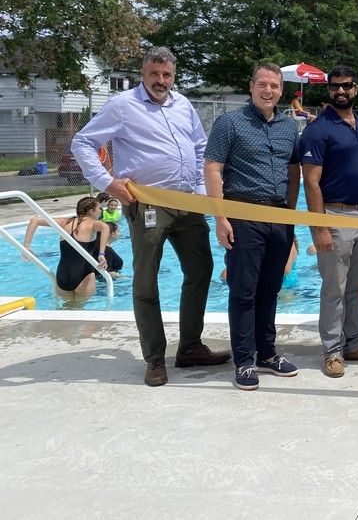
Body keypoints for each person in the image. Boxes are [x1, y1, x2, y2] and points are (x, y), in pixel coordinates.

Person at [71, 46, 230, 387]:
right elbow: (82, 142)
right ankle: (155, 357)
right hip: (147, 205)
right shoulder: (122, 105)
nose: (161, 81)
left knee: (201, 269)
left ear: (174, 75)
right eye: (155, 74)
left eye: (167, 75)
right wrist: (106, 183)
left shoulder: (183, 104)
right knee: (146, 280)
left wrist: (203, 191)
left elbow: (200, 148)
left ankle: (189, 347)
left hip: (188, 203)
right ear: (143, 73)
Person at [205, 62, 301, 391]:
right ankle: (244, 360)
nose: (268, 91)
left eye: (274, 86)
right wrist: (220, 218)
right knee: (243, 292)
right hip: (243, 216)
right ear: (251, 86)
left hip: (279, 218)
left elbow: (293, 173)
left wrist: (290, 213)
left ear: (281, 90)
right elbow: (213, 169)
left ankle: (267, 353)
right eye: (263, 84)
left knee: (270, 290)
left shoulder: (290, 127)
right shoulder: (229, 123)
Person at [299, 65, 358, 379]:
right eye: (335, 86)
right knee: (334, 288)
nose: (341, 91)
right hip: (334, 215)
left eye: (346, 86)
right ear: (328, 90)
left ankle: (353, 342)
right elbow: (311, 183)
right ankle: (332, 351)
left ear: (355, 89)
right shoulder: (317, 130)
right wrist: (319, 227)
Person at [23, 196, 109, 300]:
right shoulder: (93, 223)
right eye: (99, 208)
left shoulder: (65, 222)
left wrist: (26, 247)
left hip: (62, 274)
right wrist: (101, 254)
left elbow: (34, 220)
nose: (101, 210)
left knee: (66, 308)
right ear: (91, 211)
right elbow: (105, 227)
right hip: (83, 273)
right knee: (82, 310)